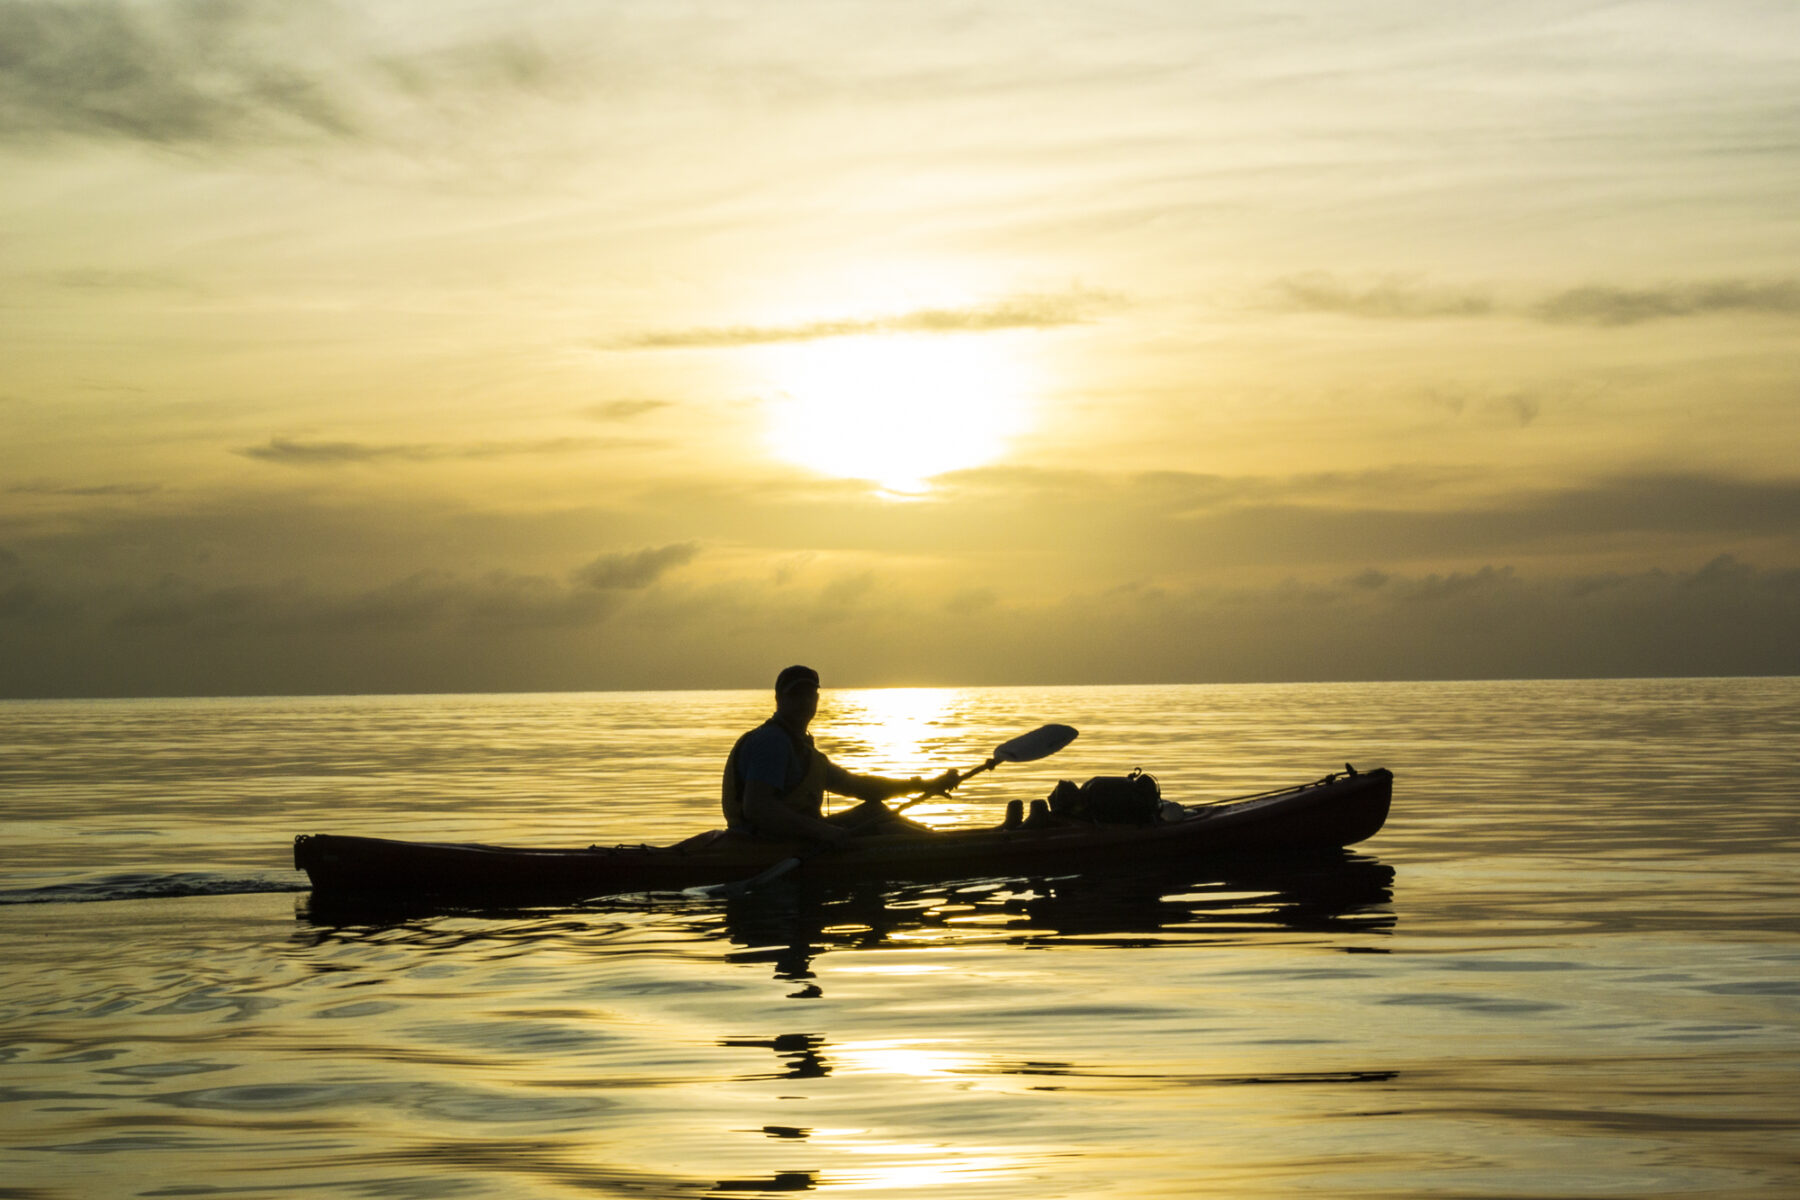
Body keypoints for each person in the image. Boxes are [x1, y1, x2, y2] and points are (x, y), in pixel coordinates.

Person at [723, 665, 958, 844]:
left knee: (874, 811)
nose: (804, 702)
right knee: (880, 825)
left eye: (809, 695)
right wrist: (824, 831)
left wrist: (925, 786)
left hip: (798, 837)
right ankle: (947, 847)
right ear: (779, 700)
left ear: (816, 699)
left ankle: (942, 842)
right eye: (795, 695)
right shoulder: (771, 742)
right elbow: (757, 808)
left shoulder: (803, 748)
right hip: (761, 844)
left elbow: (860, 786)